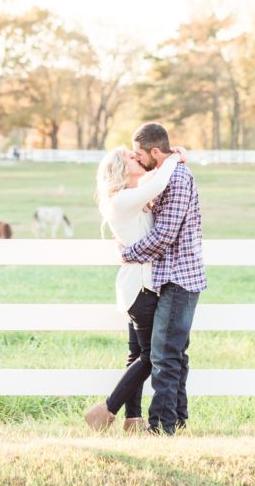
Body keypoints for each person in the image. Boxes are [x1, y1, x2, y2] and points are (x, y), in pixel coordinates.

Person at [84, 143, 186, 432]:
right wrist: (174, 156)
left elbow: (152, 182)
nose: (136, 157)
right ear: (120, 167)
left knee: (136, 355)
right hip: (141, 289)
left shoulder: (126, 199)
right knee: (150, 356)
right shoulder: (121, 200)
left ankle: (133, 420)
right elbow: (160, 182)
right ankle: (105, 410)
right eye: (131, 156)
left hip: (135, 288)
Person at [120, 122, 206, 436]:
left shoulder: (179, 178)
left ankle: (161, 426)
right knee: (174, 353)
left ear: (156, 152)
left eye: (140, 153)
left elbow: (165, 234)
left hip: (179, 277)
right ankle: (178, 419)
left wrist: (128, 253)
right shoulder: (165, 172)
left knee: (164, 354)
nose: (136, 158)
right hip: (167, 276)